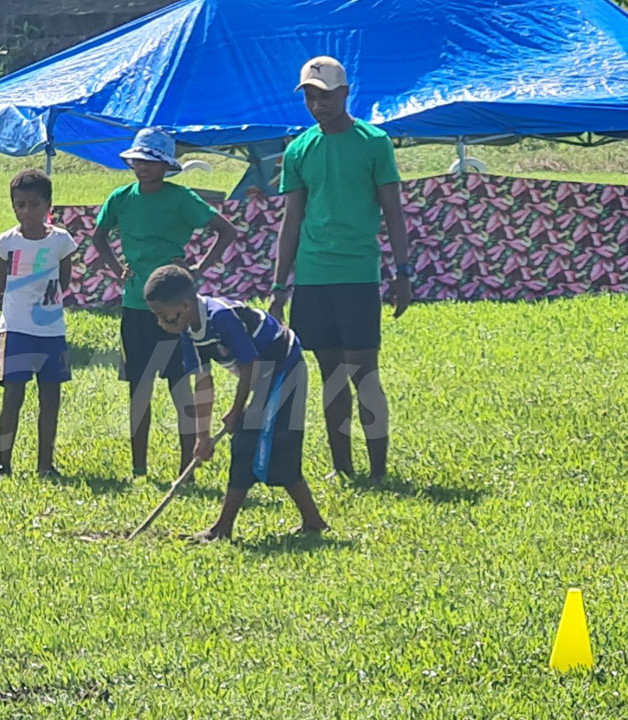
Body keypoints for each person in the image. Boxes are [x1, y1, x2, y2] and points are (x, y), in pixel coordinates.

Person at [268, 56, 411, 485]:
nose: (317, 103)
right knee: (330, 374)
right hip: (313, 277)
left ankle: (379, 470)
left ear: (345, 94)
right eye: (310, 95)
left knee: (364, 372)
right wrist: (279, 286)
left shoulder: (374, 142)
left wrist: (403, 273)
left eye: (325, 95)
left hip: (358, 273)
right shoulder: (298, 149)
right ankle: (342, 467)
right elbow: (291, 222)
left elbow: (393, 212)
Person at [90, 127, 238, 478]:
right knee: (138, 389)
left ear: (167, 167)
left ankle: (187, 465)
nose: (144, 167)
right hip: (135, 306)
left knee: (180, 384)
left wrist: (199, 268)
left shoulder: (181, 198)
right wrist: (115, 269)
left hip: (176, 308)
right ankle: (138, 468)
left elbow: (226, 230)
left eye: (151, 162)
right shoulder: (121, 198)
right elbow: (99, 236)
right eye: (139, 160)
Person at [145, 265, 327, 542]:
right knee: (265, 444)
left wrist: (236, 410)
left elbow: (251, 366)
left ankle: (223, 528)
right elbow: (203, 383)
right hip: (261, 374)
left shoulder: (221, 317)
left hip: (283, 366)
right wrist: (201, 436)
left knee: (252, 443)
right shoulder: (188, 332)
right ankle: (312, 521)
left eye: (162, 315)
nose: (160, 323)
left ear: (184, 304)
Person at [0, 170, 77, 477]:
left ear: (48, 206)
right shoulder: (5, 243)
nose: (27, 211)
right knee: (12, 396)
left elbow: (64, 279)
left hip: (51, 331)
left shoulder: (61, 242)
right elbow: (0, 285)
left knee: (50, 398)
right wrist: (12, 314)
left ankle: (45, 464)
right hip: (16, 329)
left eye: (34, 204)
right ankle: (4, 462)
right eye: (20, 204)